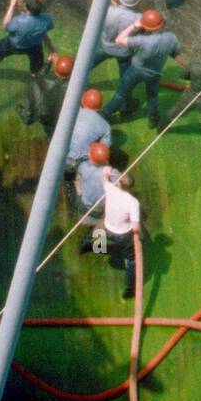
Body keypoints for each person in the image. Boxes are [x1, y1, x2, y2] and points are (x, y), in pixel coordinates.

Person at [105, 9, 180, 129]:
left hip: (135, 70)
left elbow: (119, 39)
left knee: (120, 94)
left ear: (147, 27)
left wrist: (135, 25)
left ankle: (104, 115)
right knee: (152, 97)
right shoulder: (171, 38)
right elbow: (176, 50)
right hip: (155, 73)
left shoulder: (143, 41)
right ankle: (153, 120)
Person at [91, 0, 142, 112]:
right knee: (125, 83)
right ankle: (126, 106)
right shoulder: (138, 18)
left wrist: (113, 7)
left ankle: (70, 80)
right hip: (124, 53)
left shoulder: (107, 10)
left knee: (87, 65)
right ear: (136, 2)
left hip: (105, 46)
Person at [94, 167, 141, 299]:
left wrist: (107, 172)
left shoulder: (110, 188)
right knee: (132, 260)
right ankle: (130, 289)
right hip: (123, 236)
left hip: (106, 228)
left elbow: (103, 177)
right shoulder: (133, 202)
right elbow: (136, 227)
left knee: (97, 229)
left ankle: (100, 250)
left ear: (119, 182)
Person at [0, 0, 54, 74]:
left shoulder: (19, 21)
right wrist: (51, 49)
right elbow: (44, 31)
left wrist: (11, 5)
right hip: (35, 46)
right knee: (37, 64)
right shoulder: (48, 19)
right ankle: (35, 74)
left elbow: (5, 26)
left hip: (15, 46)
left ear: (27, 8)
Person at [75, 142, 115, 253]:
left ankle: (91, 237)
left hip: (84, 205)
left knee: (90, 222)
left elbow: (78, 180)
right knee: (100, 226)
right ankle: (98, 247)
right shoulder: (113, 173)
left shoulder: (83, 167)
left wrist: (79, 191)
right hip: (101, 209)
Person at [67, 88, 112, 171]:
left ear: (83, 101)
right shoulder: (105, 126)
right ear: (100, 106)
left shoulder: (71, 111)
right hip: (81, 162)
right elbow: (104, 149)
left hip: (60, 152)